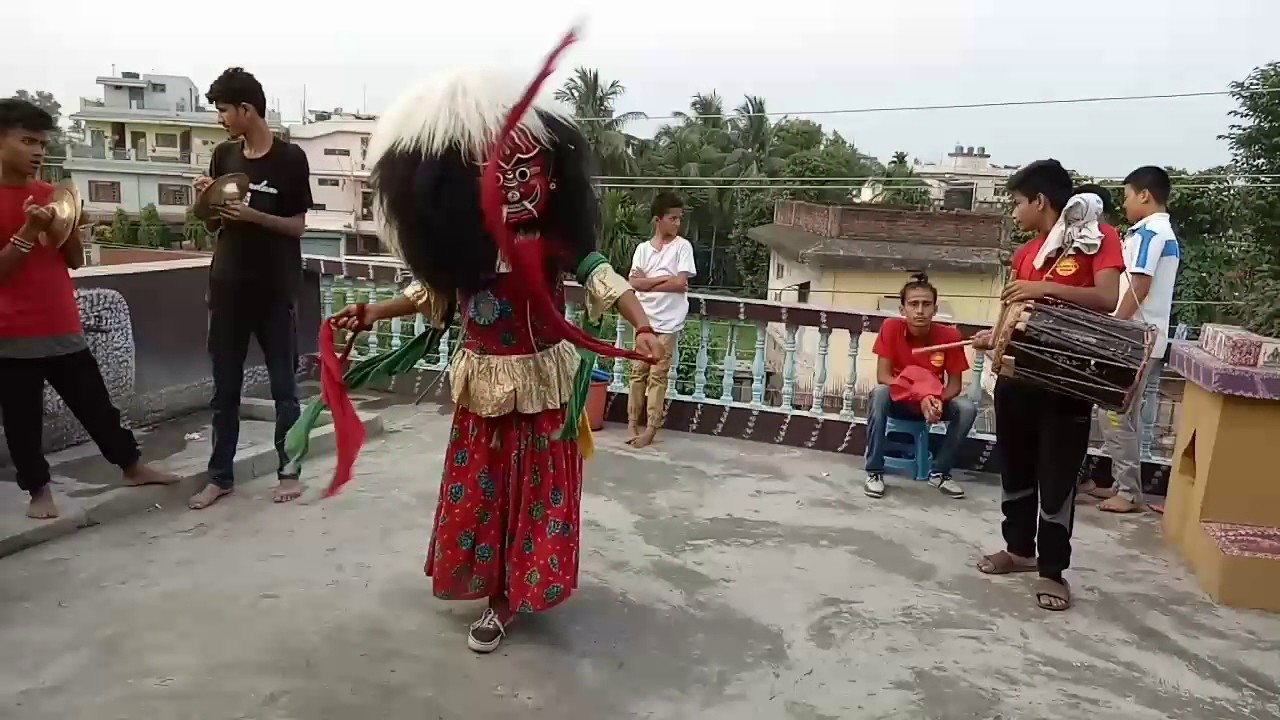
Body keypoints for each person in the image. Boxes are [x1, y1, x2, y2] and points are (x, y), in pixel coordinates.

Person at [326, 57, 664, 654]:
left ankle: (509, 598)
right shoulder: (465, 248)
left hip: (543, 396)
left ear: (553, 176)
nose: (508, 181)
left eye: (523, 167)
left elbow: (604, 278)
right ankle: (488, 586)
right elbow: (426, 292)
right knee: (481, 492)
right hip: (480, 394)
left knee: (534, 494)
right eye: (493, 169)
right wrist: (371, 313)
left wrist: (640, 325)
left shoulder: (555, 243)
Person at [0, 98, 175, 520]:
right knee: (23, 423)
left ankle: (132, 467)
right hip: (11, 333)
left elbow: (74, 260)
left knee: (97, 407)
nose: (38, 151)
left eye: (42, 143)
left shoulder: (49, 194)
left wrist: (68, 226)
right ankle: (39, 491)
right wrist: (29, 230)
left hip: (61, 323)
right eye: (27, 141)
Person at [972, 159, 1124, 611]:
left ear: (1041, 201)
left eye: (1018, 203)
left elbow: (1108, 298)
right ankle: (1018, 550)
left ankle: (1053, 571)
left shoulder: (1099, 238)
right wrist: (993, 338)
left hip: (1066, 381)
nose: (1015, 212)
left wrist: (1043, 291)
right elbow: (1014, 317)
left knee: (1056, 478)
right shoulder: (1028, 253)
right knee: (1016, 468)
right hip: (1018, 377)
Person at [188, 67, 312, 510]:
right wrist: (206, 197)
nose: (220, 118)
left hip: (274, 289)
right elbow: (209, 220)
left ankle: (289, 471)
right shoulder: (224, 155)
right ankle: (220, 476)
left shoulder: (290, 159)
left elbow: (297, 227)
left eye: (224, 110)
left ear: (247, 109)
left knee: (284, 388)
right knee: (224, 390)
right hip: (227, 287)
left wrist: (255, 216)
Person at [1093, 166, 1179, 514]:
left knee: (1112, 412)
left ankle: (1127, 491)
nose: (1125, 203)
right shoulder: (1162, 233)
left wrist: (1115, 324)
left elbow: (1139, 286)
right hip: (1145, 338)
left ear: (1144, 195)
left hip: (1133, 339)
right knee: (1123, 414)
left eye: (1128, 195)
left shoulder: (1149, 233)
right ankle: (1122, 485)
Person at [863, 273, 977, 499]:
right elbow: (883, 376)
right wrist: (920, 395)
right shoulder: (891, 328)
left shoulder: (950, 335)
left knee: (967, 409)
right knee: (879, 394)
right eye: (913, 304)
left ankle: (940, 472)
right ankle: (874, 471)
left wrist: (935, 402)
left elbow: (954, 385)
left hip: (935, 402)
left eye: (926, 304)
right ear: (902, 309)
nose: (920, 311)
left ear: (935, 309)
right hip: (900, 401)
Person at [627, 192, 696, 448]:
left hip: (668, 323)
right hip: (645, 321)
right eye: (672, 218)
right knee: (637, 373)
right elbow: (633, 282)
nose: (677, 223)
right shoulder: (643, 250)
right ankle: (632, 422)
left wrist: (648, 283)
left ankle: (651, 429)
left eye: (679, 218)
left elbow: (680, 283)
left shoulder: (682, 247)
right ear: (659, 220)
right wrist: (660, 281)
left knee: (658, 375)